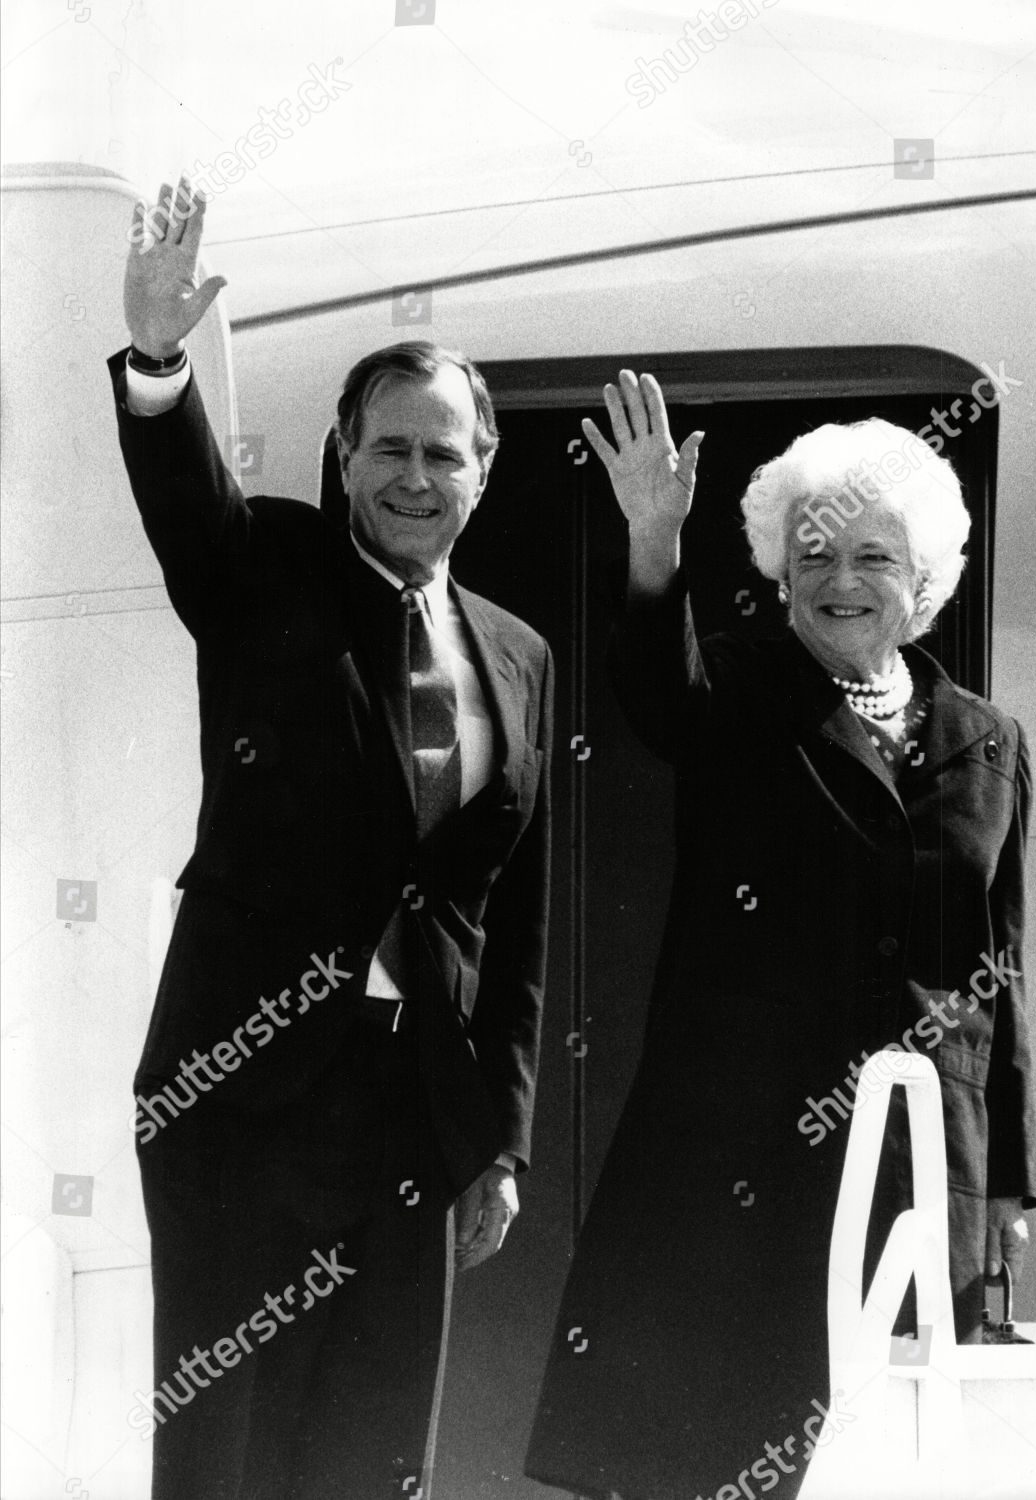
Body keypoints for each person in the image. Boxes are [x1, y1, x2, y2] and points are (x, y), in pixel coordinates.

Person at [526, 371, 1036, 1500]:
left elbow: (996, 972)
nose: (840, 580)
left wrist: (1004, 1180)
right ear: (778, 573)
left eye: (871, 556)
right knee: (725, 1459)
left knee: (895, 1467)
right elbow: (658, 696)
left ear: (925, 577)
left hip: (920, 1167)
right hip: (742, 1165)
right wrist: (653, 540)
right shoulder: (739, 693)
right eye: (812, 556)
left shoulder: (987, 740)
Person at [114, 180, 553, 1499]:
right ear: (343, 461)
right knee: (225, 1448)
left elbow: (511, 915)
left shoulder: (520, 654)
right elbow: (190, 505)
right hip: (242, 1092)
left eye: (445, 453)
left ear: (483, 472)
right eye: (391, 450)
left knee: (370, 1451)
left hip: (413, 1111)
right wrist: (156, 361)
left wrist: (504, 1139)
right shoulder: (271, 579)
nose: (418, 478)